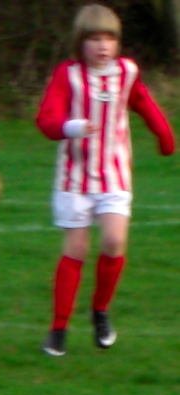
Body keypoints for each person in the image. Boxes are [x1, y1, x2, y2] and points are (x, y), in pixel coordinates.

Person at [35, 3, 174, 356]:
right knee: (77, 250)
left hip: (114, 174)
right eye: (94, 39)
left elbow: (142, 102)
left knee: (114, 242)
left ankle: (101, 310)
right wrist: (70, 127)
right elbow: (46, 117)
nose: (102, 46)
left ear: (117, 43)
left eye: (109, 38)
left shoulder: (126, 72)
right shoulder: (67, 75)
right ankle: (59, 328)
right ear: (80, 43)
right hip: (75, 178)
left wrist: (163, 134)